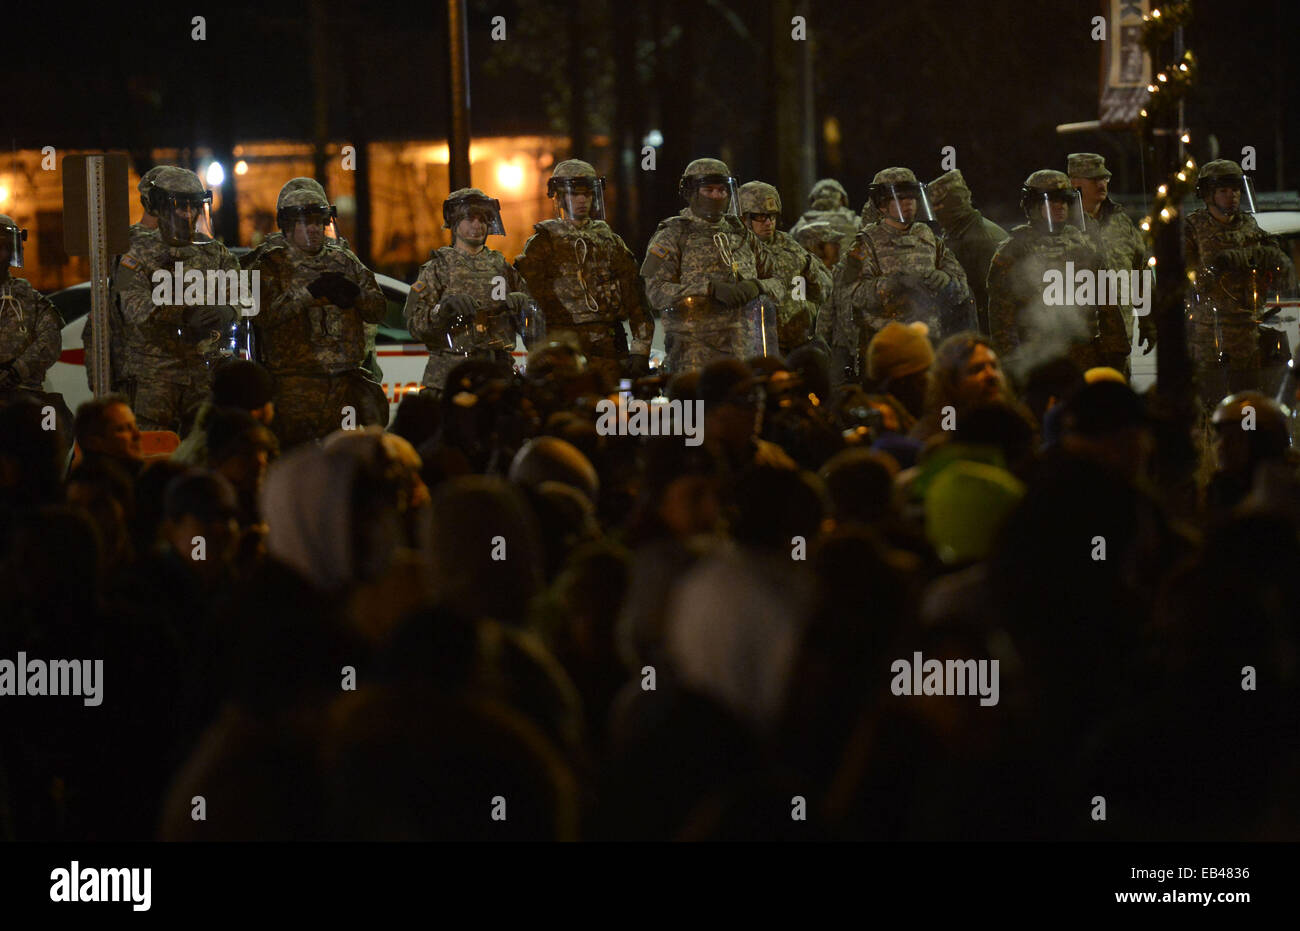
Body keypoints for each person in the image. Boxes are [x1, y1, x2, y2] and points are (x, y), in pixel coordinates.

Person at [246, 179, 388, 448]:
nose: (314, 229)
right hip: (293, 387)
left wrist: (356, 295)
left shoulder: (345, 261)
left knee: (345, 463)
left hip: (343, 385)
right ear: (288, 226)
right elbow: (261, 316)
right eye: (305, 222)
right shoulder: (269, 266)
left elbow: (378, 310)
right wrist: (308, 294)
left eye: (319, 221)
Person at [110, 167, 241, 432]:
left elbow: (242, 297)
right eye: (180, 206)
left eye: (194, 206)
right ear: (159, 207)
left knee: (201, 451)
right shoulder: (133, 252)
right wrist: (181, 314)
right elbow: (130, 305)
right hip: (153, 379)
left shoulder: (216, 253)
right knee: (152, 452)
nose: (188, 214)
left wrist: (227, 311)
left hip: (204, 376)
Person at [514, 159, 652, 386]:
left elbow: (635, 298)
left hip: (609, 349)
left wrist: (641, 349)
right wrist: (541, 352)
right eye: (574, 194)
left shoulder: (609, 240)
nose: (581, 200)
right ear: (558, 196)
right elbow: (528, 303)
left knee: (610, 414)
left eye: (587, 194)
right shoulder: (544, 243)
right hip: (564, 353)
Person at [832, 167, 975, 383]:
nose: (908, 204)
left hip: (929, 344)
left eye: (911, 197)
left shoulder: (929, 237)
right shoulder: (865, 243)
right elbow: (850, 295)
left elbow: (961, 286)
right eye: (899, 198)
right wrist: (892, 285)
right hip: (888, 348)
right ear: (882, 204)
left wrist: (947, 281)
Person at [641, 158, 784, 372]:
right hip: (694, 357)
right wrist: (708, 290)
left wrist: (757, 286)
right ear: (691, 192)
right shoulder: (672, 235)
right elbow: (654, 292)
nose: (717, 196)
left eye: (722, 190)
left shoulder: (740, 233)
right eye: (709, 190)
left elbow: (779, 281)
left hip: (746, 353)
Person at [987, 169, 1126, 382]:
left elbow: (1107, 305)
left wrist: (1116, 351)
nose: (1060, 206)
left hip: (1085, 356)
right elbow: (1002, 317)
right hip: (1037, 359)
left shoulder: (1085, 246)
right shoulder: (1013, 251)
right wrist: (1012, 363)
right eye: (1051, 201)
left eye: (1063, 200)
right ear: (1034, 206)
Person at [1185, 159, 1296, 406]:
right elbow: (1190, 281)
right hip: (1209, 337)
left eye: (1235, 190)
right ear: (1208, 195)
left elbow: (1277, 261)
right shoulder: (1192, 228)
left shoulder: (1248, 224)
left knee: (1248, 407)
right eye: (1224, 190)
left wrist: (1273, 259)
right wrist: (1216, 266)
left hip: (1247, 333)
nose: (1232, 196)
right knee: (1212, 408)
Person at [404, 188, 530, 398]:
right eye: (469, 218)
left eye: (483, 219)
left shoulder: (502, 268)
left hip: (497, 374)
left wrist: (522, 307)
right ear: (454, 222)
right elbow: (414, 325)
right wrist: (442, 311)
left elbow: (532, 324)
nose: (477, 225)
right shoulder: (437, 268)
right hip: (450, 376)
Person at [1068, 152, 1154, 357]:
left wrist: (1148, 322)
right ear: (1074, 183)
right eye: (1094, 179)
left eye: (1104, 178)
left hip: (1119, 338)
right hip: (1076, 340)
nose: (1102, 184)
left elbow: (1140, 272)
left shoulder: (1121, 221)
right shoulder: (1061, 223)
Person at [737, 181, 831, 353]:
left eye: (772, 216)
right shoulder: (735, 250)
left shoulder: (787, 243)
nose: (768, 223)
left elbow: (824, 288)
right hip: (758, 349)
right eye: (760, 216)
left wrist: (807, 266)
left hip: (800, 343)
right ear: (743, 218)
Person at [926, 169, 1009, 337]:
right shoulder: (955, 232)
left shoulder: (981, 238)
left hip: (985, 333)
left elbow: (996, 299)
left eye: (940, 205)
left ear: (954, 202)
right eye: (933, 206)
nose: (936, 211)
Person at [0, 215, 63, 401]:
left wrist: (16, 371)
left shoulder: (29, 298)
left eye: (1, 248)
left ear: (12, 251)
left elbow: (51, 340)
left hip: (23, 396)